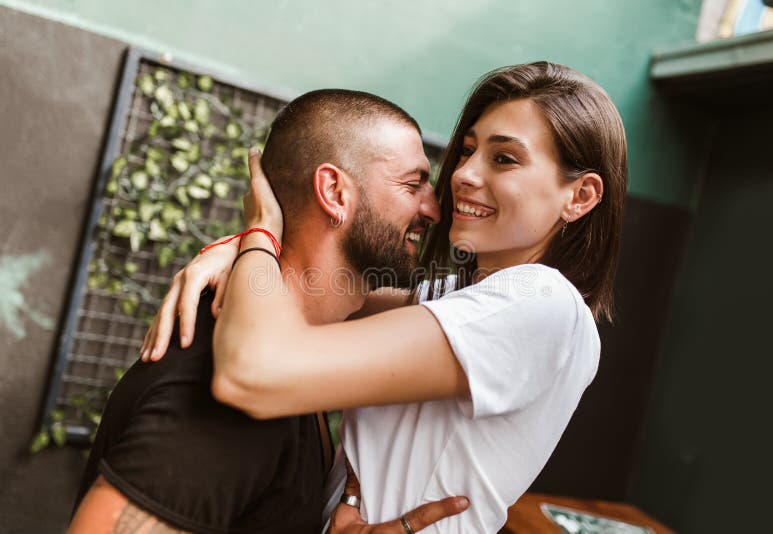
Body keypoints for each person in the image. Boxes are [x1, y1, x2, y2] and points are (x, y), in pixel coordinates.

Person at [144, 61, 627, 533]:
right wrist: (231, 248)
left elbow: (252, 372)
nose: (461, 175)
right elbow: (313, 291)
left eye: (504, 158)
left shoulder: (539, 301)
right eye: (466, 151)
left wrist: (259, 231)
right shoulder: (459, 302)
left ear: (580, 196)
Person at [68, 89, 470, 534]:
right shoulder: (231, 397)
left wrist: (251, 237)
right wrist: (257, 235)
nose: (433, 209)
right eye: (413, 185)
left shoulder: (298, 349)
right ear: (334, 192)